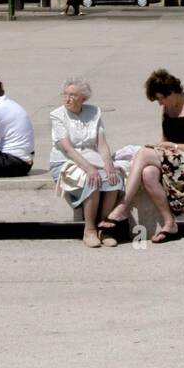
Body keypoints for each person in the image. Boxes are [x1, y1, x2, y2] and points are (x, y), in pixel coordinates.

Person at [101, 69, 184, 243]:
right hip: (176, 158)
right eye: (158, 100)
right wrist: (161, 147)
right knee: (148, 173)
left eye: (162, 98)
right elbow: (164, 141)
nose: (161, 103)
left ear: (173, 92)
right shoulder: (166, 109)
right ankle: (169, 223)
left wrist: (171, 146)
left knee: (144, 154)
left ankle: (123, 206)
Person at [49, 77, 123, 247]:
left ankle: (103, 227)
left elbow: (102, 144)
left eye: (73, 95)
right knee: (93, 178)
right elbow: (67, 148)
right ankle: (89, 230)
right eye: (65, 94)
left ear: (83, 98)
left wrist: (108, 164)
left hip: (91, 157)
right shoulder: (57, 115)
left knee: (114, 178)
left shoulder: (94, 112)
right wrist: (89, 168)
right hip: (66, 160)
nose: (67, 98)